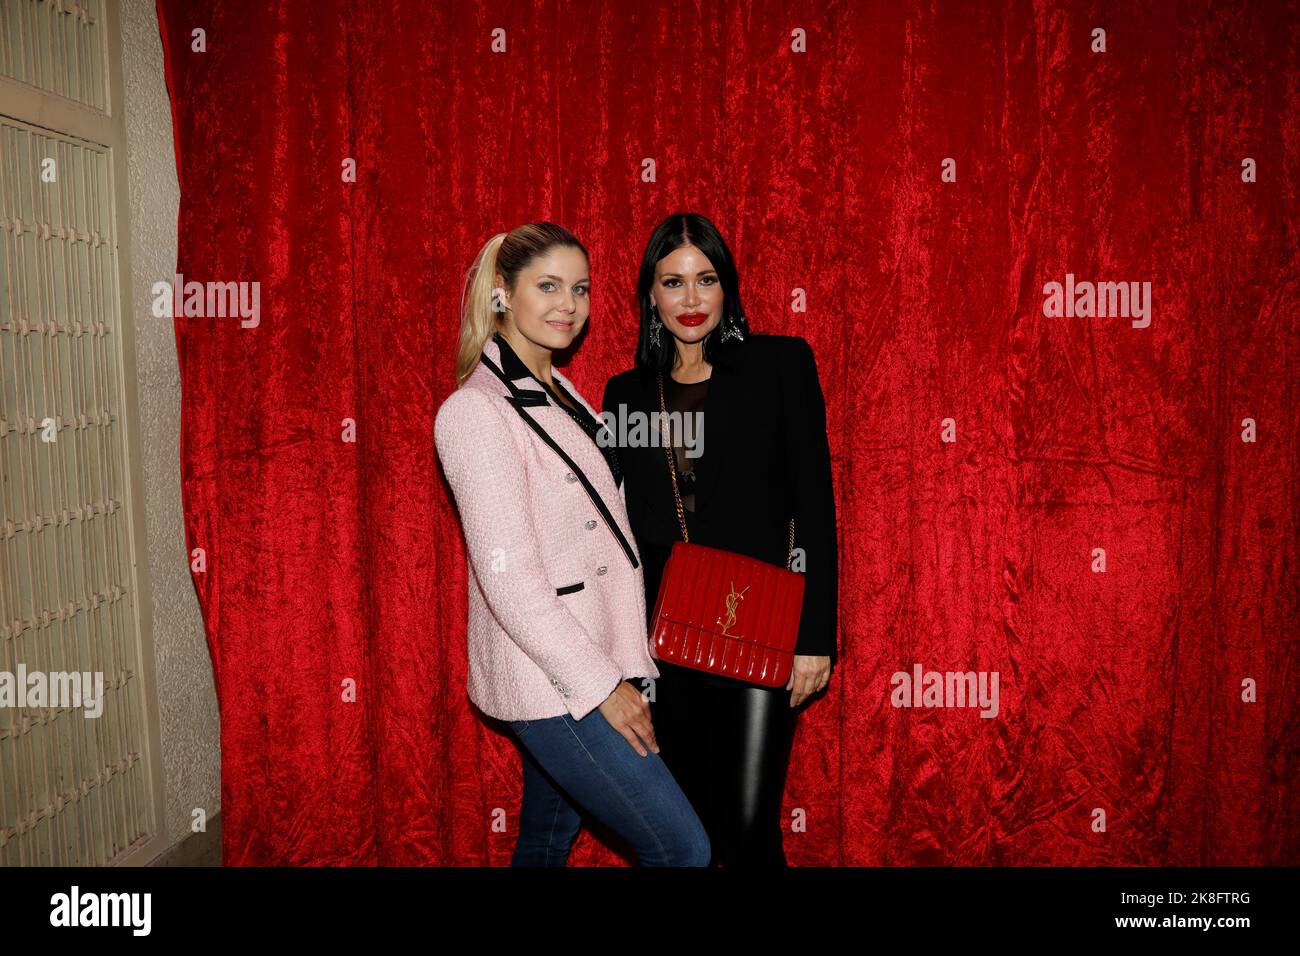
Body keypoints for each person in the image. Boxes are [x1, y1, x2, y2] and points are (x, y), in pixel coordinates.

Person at [434, 221, 710, 867]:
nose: (569, 305)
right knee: (681, 847)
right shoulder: (475, 411)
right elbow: (508, 580)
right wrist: (603, 685)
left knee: (545, 840)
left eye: (580, 289)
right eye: (549, 286)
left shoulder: (563, 394)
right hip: (555, 678)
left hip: (593, 650)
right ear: (503, 293)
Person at [601, 212, 838, 867]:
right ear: (650, 294)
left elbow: (815, 506)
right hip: (669, 643)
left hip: (763, 630)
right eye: (672, 282)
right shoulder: (627, 395)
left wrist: (815, 637)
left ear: (727, 286)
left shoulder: (780, 365)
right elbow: (611, 529)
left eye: (706, 279)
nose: (691, 298)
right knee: (694, 834)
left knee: (750, 831)